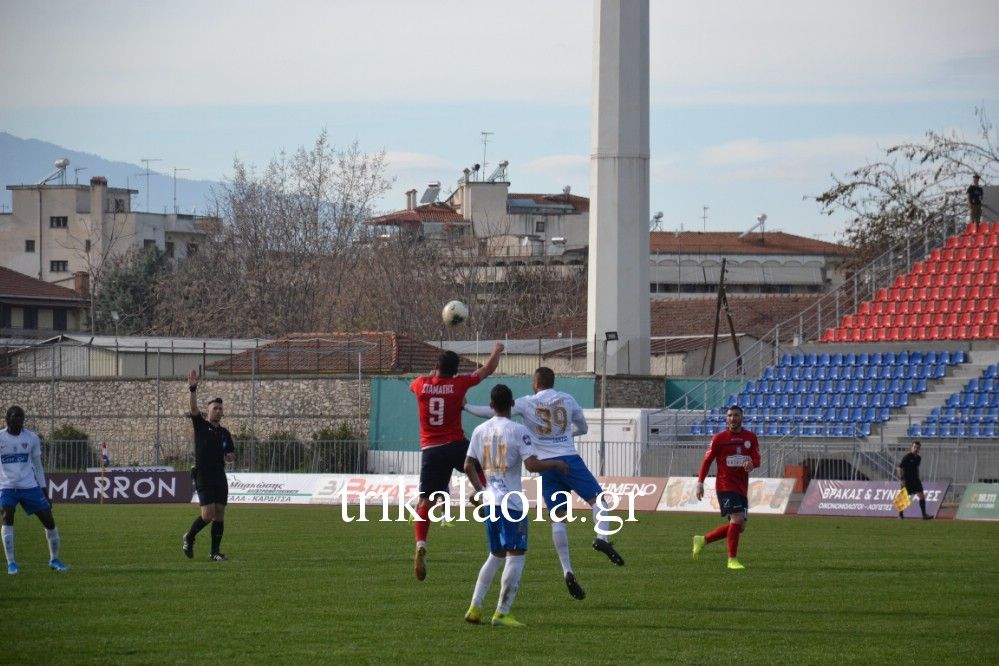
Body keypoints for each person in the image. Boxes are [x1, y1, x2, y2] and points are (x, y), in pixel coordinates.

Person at [465, 366, 624, 601]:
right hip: (568, 459)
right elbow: (583, 427)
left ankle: (567, 570)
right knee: (598, 501)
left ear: (536, 383)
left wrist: (466, 406)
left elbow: (494, 413)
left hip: (546, 466)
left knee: (557, 518)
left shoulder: (527, 402)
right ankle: (602, 538)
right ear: (552, 381)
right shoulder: (567, 399)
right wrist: (567, 435)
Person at [462, 384, 569, 627]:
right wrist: (555, 464)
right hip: (511, 504)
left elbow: (468, 464)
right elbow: (531, 465)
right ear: (512, 404)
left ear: (491, 406)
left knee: (496, 554)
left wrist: (481, 490)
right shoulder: (518, 430)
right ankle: (502, 612)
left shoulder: (480, 430)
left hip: (491, 502)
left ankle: (475, 607)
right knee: (516, 555)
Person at [409, 342, 504, 581]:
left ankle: (421, 544)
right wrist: (496, 351)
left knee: (426, 502)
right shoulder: (458, 385)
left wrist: (433, 375)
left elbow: (418, 384)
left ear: (436, 367)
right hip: (456, 444)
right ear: (454, 370)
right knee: (480, 465)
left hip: (431, 449)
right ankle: (481, 493)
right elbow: (486, 370)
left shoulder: (421, 384)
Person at [0, 405, 69, 574]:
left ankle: (54, 559)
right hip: (7, 487)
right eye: (16, 417)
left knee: (49, 521)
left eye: (21, 417)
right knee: (7, 516)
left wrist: (45, 491)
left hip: (29, 486)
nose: (19, 420)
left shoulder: (31, 438)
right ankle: (11, 563)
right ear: (7, 419)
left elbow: (38, 467)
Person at [691, 404, 760, 570]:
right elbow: (707, 461)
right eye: (729, 415)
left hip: (741, 487)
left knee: (740, 526)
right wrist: (700, 483)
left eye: (736, 415)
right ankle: (732, 560)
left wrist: (752, 464)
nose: (732, 418)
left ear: (742, 418)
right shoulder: (719, 438)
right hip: (724, 485)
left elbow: (757, 459)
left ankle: (703, 539)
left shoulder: (750, 437)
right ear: (726, 419)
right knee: (737, 519)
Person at [182, 369, 235, 561]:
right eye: (216, 408)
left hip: (219, 475)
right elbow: (193, 408)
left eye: (221, 409)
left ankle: (214, 552)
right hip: (203, 474)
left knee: (219, 513)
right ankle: (189, 536)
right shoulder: (201, 425)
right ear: (208, 411)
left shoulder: (225, 433)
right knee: (207, 514)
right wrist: (193, 389)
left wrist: (229, 457)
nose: (219, 411)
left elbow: (230, 455)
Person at [897, 440, 932, 520]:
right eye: (914, 447)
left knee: (922, 496)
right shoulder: (907, 457)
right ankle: (900, 515)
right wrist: (901, 479)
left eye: (918, 448)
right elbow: (899, 467)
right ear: (911, 447)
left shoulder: (919, 458)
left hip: (915, 480)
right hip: (907, 480)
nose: (916, 449)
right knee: (903, 498)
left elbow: (915, 468)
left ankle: (924, 515)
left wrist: (918, 477)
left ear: (919, 449)